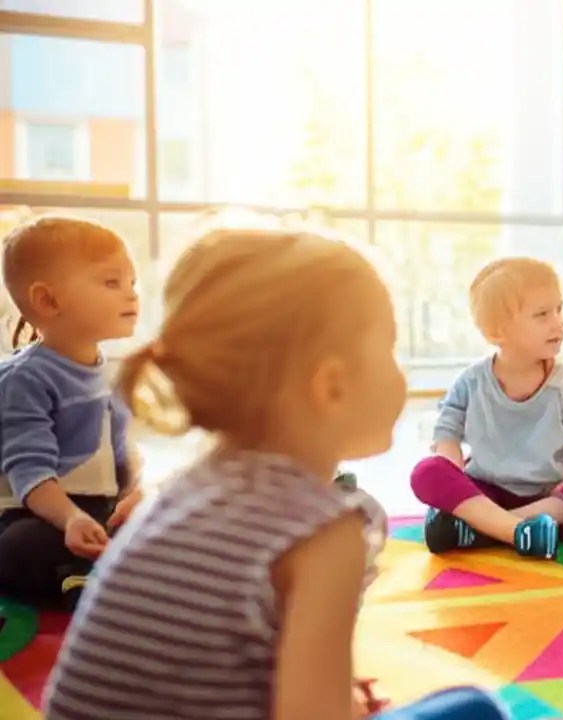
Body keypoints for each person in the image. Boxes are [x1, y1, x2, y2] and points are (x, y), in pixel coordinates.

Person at [42, 227, 504, 719]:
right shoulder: (322, 534)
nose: (401, 374)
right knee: (473, 709)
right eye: (390, 349)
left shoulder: (181, 491)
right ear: (331, 386)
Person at [410, 257, 563, 560]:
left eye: (558, 309)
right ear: (497, 333)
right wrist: (456, 477)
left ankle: (479, 528)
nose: (559, 322)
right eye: (542, 314)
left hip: (543, 498)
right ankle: (516, 532)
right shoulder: (472, 381)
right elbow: (446, 433)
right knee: (427, 472)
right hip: (482, 489)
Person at [0, 216, 143, 611]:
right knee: (19, 548)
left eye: (132, 282)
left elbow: (119, 457)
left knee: (170, 521)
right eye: (112, 282)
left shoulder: (107, 370)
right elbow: (29, 472)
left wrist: (134, 495)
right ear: (48, 300)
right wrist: (71, 520)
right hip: (40, 510)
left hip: (97, 509)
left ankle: (87, 572)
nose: (132, 295)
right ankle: (81, 577)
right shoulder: (25, 380)